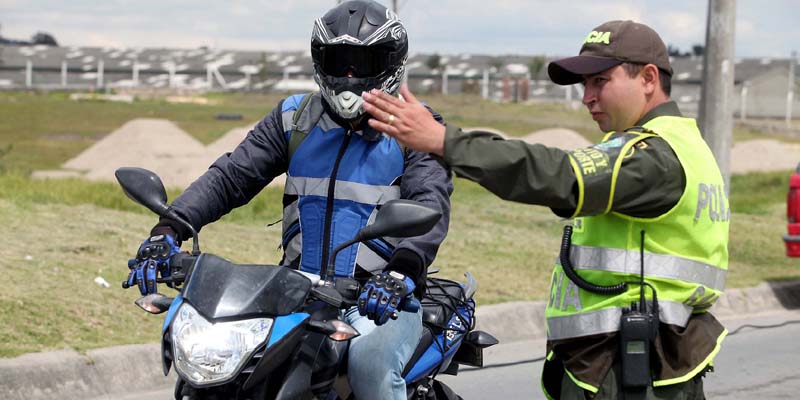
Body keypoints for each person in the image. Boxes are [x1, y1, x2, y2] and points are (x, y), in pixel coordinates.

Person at [362, 20, 729, 399]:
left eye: (600, 81)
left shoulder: (653, 156)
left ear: (648, 78)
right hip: (631, 363)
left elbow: (560, 175)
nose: (587, 96)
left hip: (630, 373)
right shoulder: (683, 144)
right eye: (584, 84)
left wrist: (445, 141)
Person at [126, 1, 452, 399]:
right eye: (338, 60)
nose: (349, 75)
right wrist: (169, 228)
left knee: (371, 365)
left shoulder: (416, 128)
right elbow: (231, 178)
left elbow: (430, 204)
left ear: (391, 63)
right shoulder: (294, 119)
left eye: (362, 62)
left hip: (379, 299)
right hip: (297, 293)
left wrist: (401, 272)